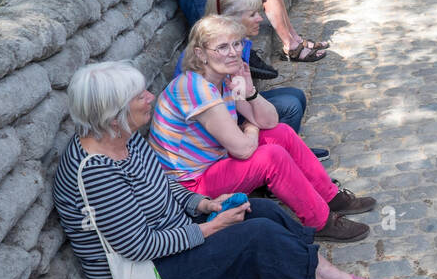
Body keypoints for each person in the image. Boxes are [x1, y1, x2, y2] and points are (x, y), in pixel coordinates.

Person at [53, 61, 396, 279]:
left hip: (170, 238)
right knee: (256, 237)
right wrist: (212, 227)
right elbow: (137, 247)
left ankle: (330, 275)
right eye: (140, 97)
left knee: (260, 210)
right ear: (114, 116)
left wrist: (203, 203)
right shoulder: (97, 171)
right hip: (141, 278)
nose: (150, 99)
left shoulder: (121, 138)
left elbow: (165, 184)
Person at [149, 16, 375, 241]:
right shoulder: (196, 88)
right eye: (222, 47)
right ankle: (320, 222)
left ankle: (330, 197)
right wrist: (250, 129)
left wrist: (249, 91)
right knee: (271, 157)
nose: (233, 52)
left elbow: (269, 122)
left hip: (212, 164)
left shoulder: (224, 78)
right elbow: (243, 150)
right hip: (189, 186)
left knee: (282, 134)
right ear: (200, 53)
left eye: (236, 43)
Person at [200, 0, 327, 155]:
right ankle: (282, 156)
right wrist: (252, 122)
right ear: (231, 19)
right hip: (221, 120)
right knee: (290, 106)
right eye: (252, 14)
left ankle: (292, 148)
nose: (260, 18)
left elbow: (237, 93)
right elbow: (234, 100)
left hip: (233, 102)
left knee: (296, 95)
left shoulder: (238, 42)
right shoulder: (223, 51)